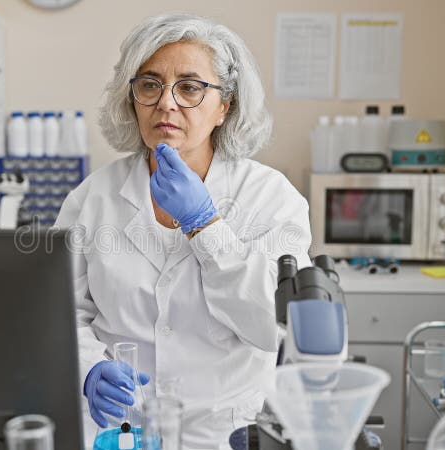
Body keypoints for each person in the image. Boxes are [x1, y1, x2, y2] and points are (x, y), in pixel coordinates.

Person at [54, 13, 312, 449]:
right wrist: (87, 369)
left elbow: (275, 326)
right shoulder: (92, 198)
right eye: (150, 85)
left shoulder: (270, 197)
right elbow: (58, 310)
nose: (166, 103)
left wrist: (205, 225)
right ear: (131, 99)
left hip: (224, 434)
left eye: (190, 87)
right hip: (121, 432)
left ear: (224, 106)